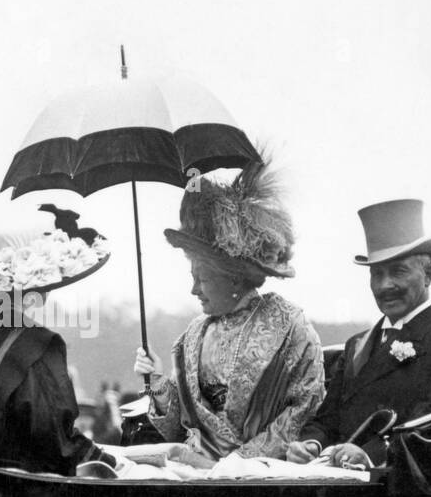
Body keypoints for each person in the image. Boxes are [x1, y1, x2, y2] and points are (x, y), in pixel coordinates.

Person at [133, 158, 324, 466]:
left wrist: (235, 464)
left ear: (233, 278)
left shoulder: (289, 326)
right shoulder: (192, 336)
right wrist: (156, 382)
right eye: (192, 277)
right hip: (191, 470)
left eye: (202, 279)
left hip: (258, 479)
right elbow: (174, 430)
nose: (194, 290)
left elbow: (303, 409)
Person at [287, 199, 431, 470]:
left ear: (428, 275)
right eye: (376, 274)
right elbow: (327, 420)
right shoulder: (356, 344)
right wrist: (312, 444)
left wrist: (370, 455)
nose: (384, 286)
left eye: (398, 271)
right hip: (339, 491)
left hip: (402, 496)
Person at [0, 228, 119, 477]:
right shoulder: (37, 346)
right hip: (21, 485)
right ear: (44, 288)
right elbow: (55, 444)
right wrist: (111, 461)